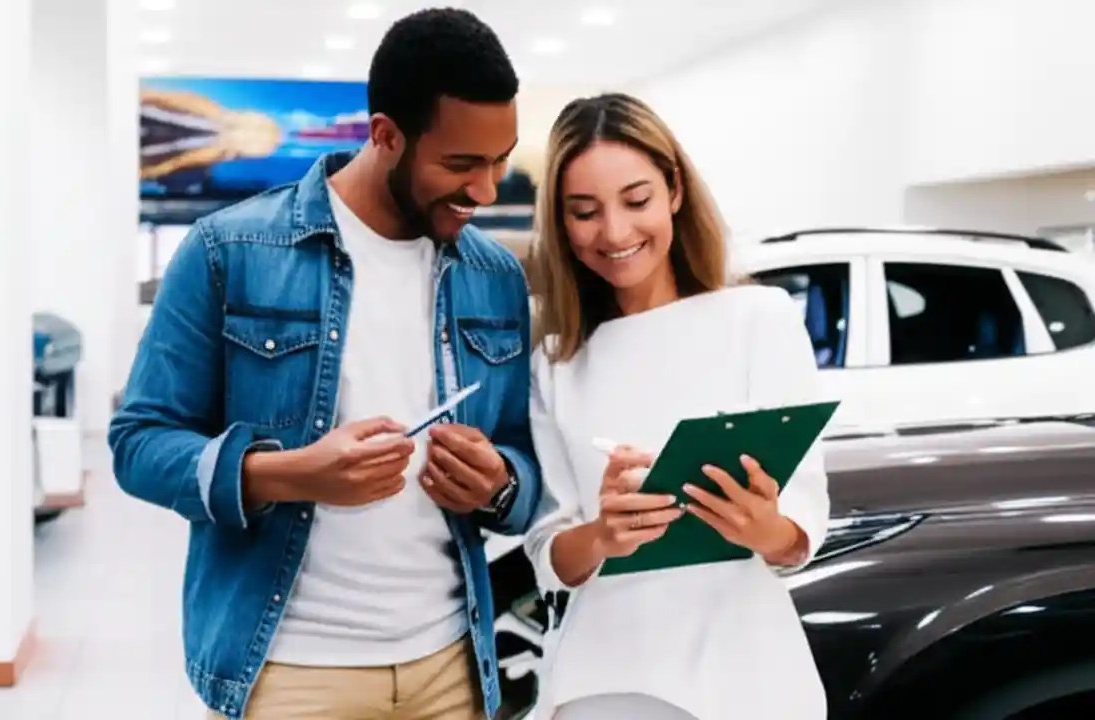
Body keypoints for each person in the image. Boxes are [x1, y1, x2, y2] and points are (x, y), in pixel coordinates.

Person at [108, 9, 540, 720]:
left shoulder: (494, 278)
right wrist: (286, 474)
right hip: (292, 670)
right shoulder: (229, 250)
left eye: (499, 161)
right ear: (385, 136)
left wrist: (498, 484)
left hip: (453, 664)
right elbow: (139, 443)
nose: (487, 190)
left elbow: (524, 465)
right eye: (461, 165)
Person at [522, 93, 830, 720]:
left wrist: (761, 526)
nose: (614, 232)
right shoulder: (556, 361)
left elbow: (802, 524)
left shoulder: (757, 319)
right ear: (559, 222)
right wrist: (605, 535)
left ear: (676, 191)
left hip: (743, 677)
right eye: (584, 212)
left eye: (636, 201)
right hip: (604, 683)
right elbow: (549, 553)